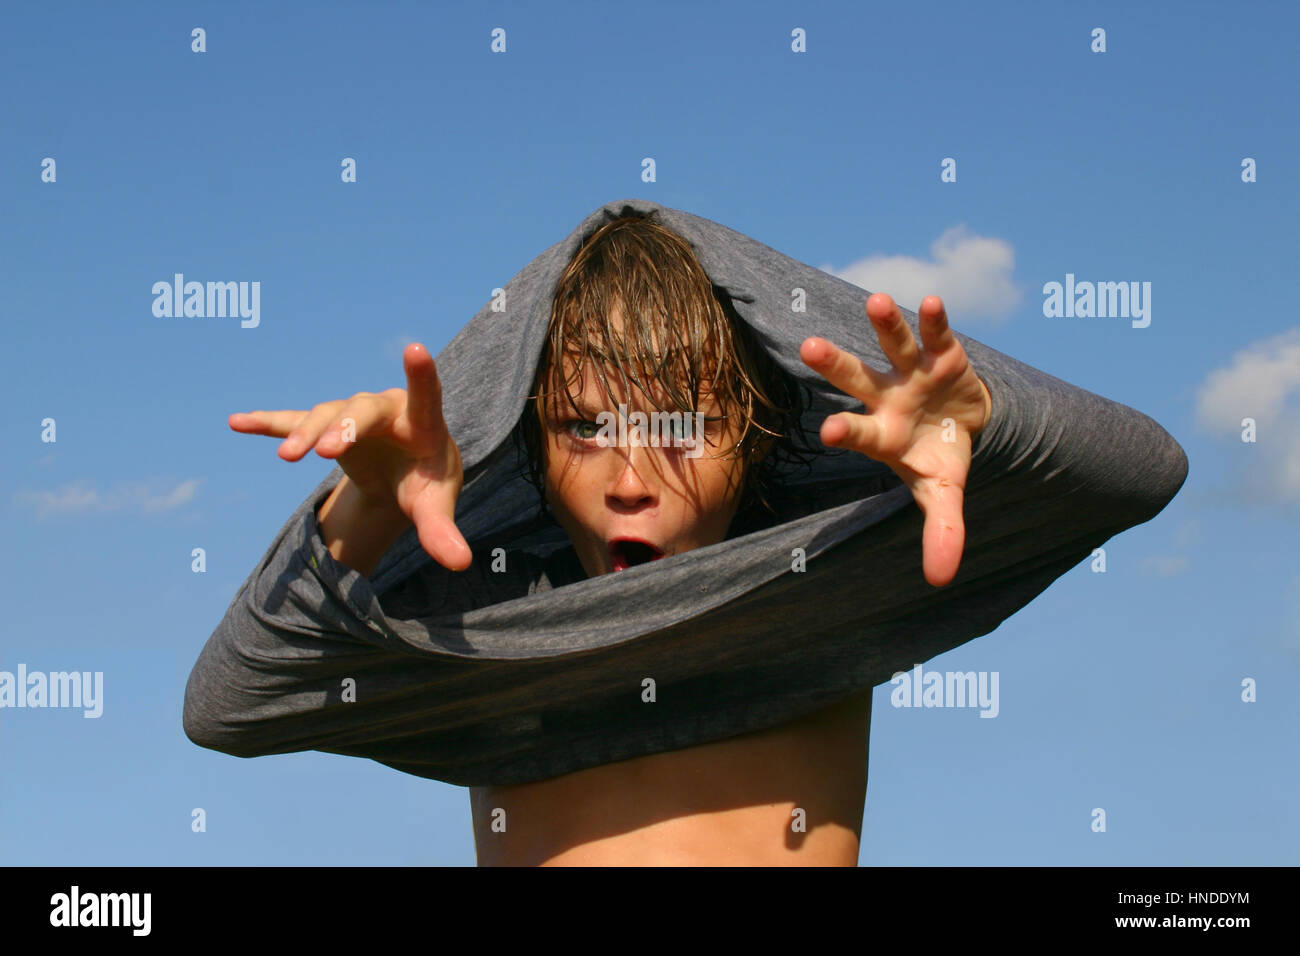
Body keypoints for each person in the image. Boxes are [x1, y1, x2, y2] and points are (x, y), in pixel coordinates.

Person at [187, 202, 1186, 866]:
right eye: (584, 426)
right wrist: (363, 505)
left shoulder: (814, 566)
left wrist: (986, 421)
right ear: (524, 440)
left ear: (758, 436)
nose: (630, 481)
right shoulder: (485, 614)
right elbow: (228, 704)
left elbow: (1143, 468)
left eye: (683, 425)